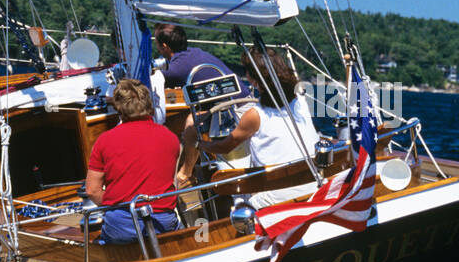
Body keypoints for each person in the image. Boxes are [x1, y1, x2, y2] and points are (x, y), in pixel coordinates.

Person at [197, 47, 319, 208]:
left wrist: (197, 143)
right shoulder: (301, 100)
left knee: (239, 202)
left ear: (252, 79)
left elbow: (224, 147)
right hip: (313, 186)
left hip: (278, 197)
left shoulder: (255, 115)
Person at [154, 23, 251, 187]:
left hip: (235, 110)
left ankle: (185, 173)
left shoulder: (177, 68)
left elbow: (153, 83)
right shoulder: (195, 52)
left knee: (191, 123)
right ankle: (189, 171)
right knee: (190, 121)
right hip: (242, 101)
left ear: (164, 46)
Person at [86, 78, 180, 244]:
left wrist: (114, 204)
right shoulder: (170, 138)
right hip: (162, 222)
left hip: (122, 225)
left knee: (97, 239)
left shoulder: (104, 141)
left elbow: (92, 191)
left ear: (119, 108)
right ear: (148, 104)